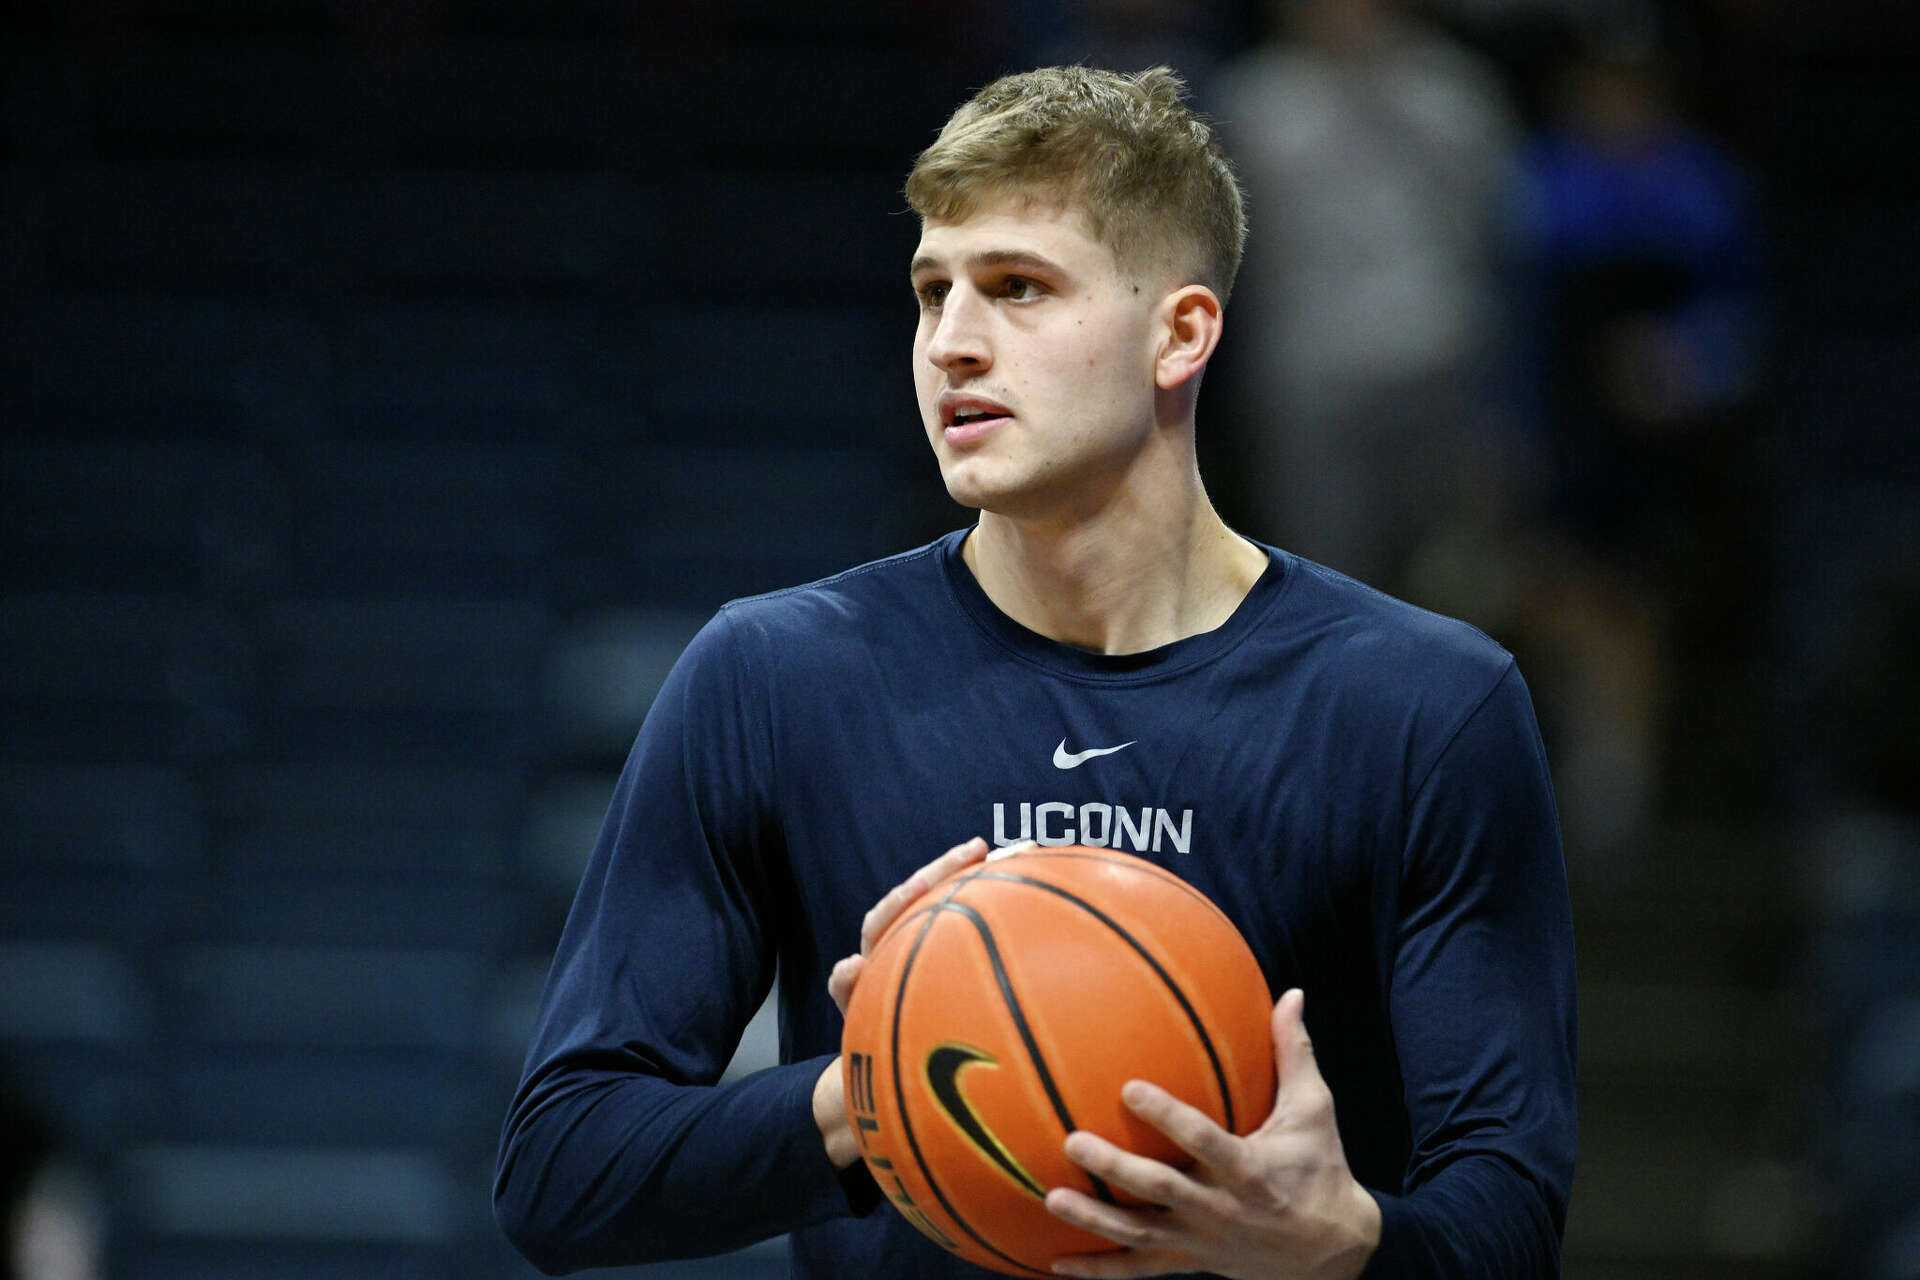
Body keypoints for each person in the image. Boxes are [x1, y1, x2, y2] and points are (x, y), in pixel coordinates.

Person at [495, 65, 1577, 1279]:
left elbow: (1509, 1218)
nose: (952, 344)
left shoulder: (1424, 704)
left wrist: (1342, 1243)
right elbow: (560, 1171)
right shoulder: (775, 674)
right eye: (930, 293)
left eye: (1016, 288)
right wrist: (868, 1094)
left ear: (1181, 333)